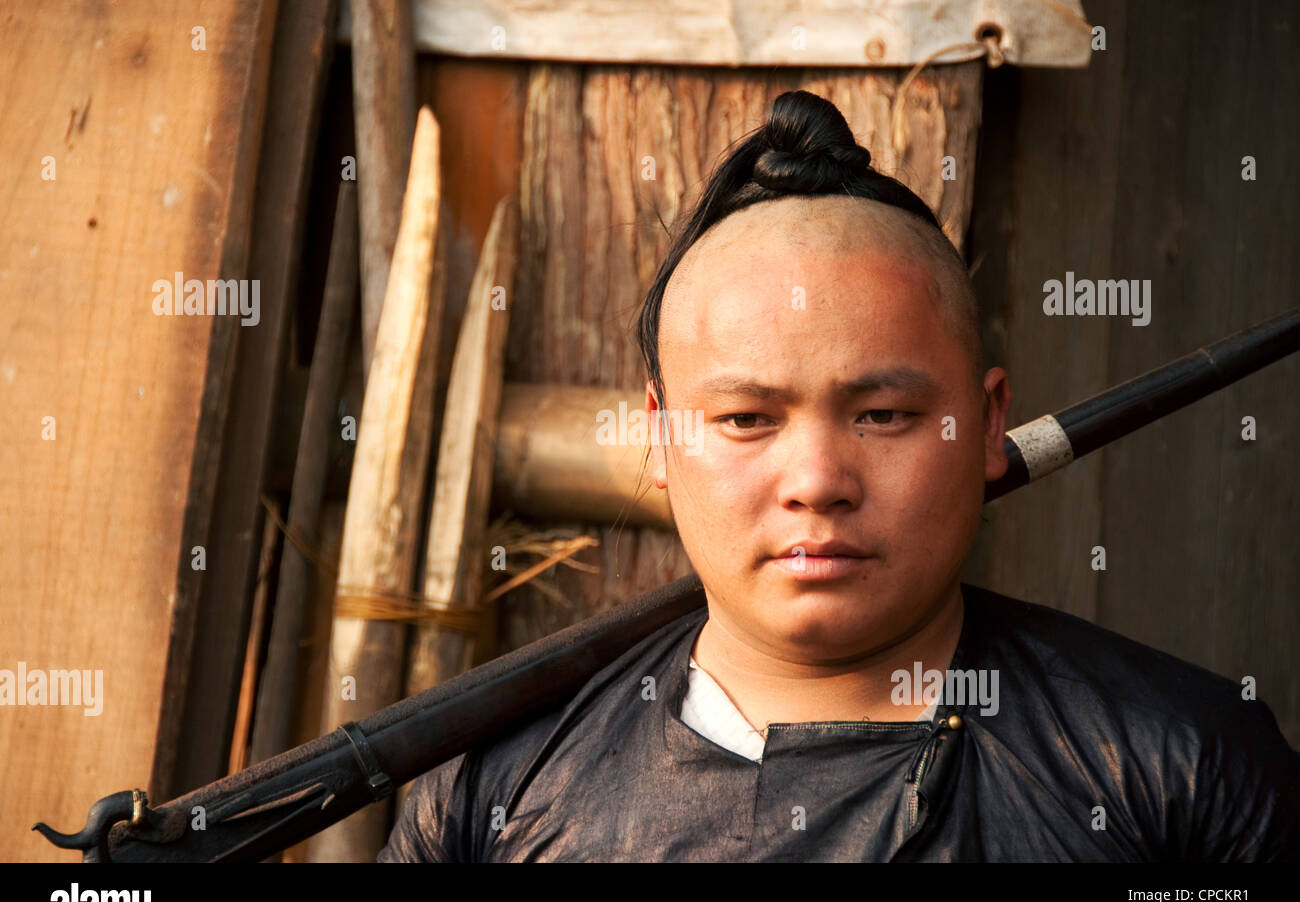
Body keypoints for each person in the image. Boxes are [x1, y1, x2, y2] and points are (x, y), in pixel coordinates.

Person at [379, 90, 1300, 862]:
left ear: (984, 423)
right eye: (746, 419)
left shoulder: (1178, 770)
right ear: (657, 440)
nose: (817, 480)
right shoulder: (492, 788)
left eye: (883, 416)